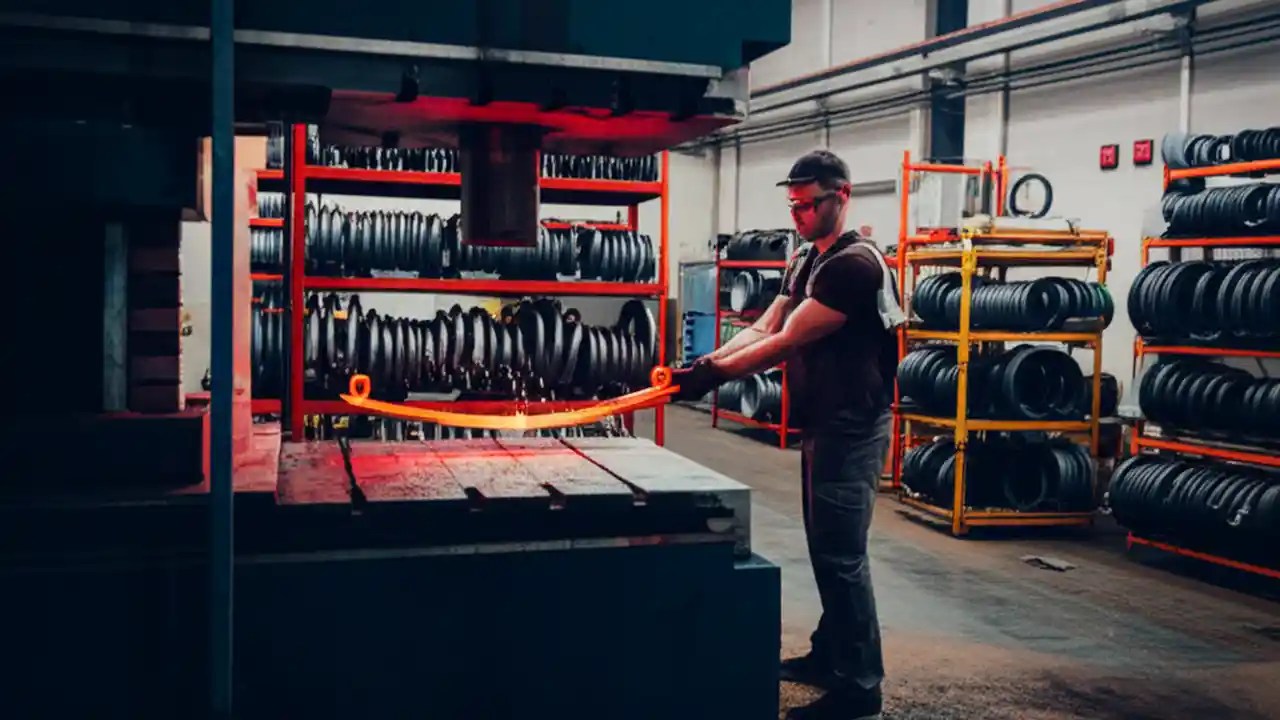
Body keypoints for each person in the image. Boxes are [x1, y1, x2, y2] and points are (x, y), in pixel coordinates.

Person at [673, 150, 900, 720]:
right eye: (792, 204)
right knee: (828, 547)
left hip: (853, 424)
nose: (797, 214)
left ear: (841, 196)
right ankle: (831, 655)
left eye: (808, 204)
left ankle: (860, 686)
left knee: (842, 554)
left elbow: (786, 342)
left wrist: (714, 378)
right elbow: (763, 323)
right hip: (822, 421)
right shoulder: (805, 258)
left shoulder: (855, 266)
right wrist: (701, 363)